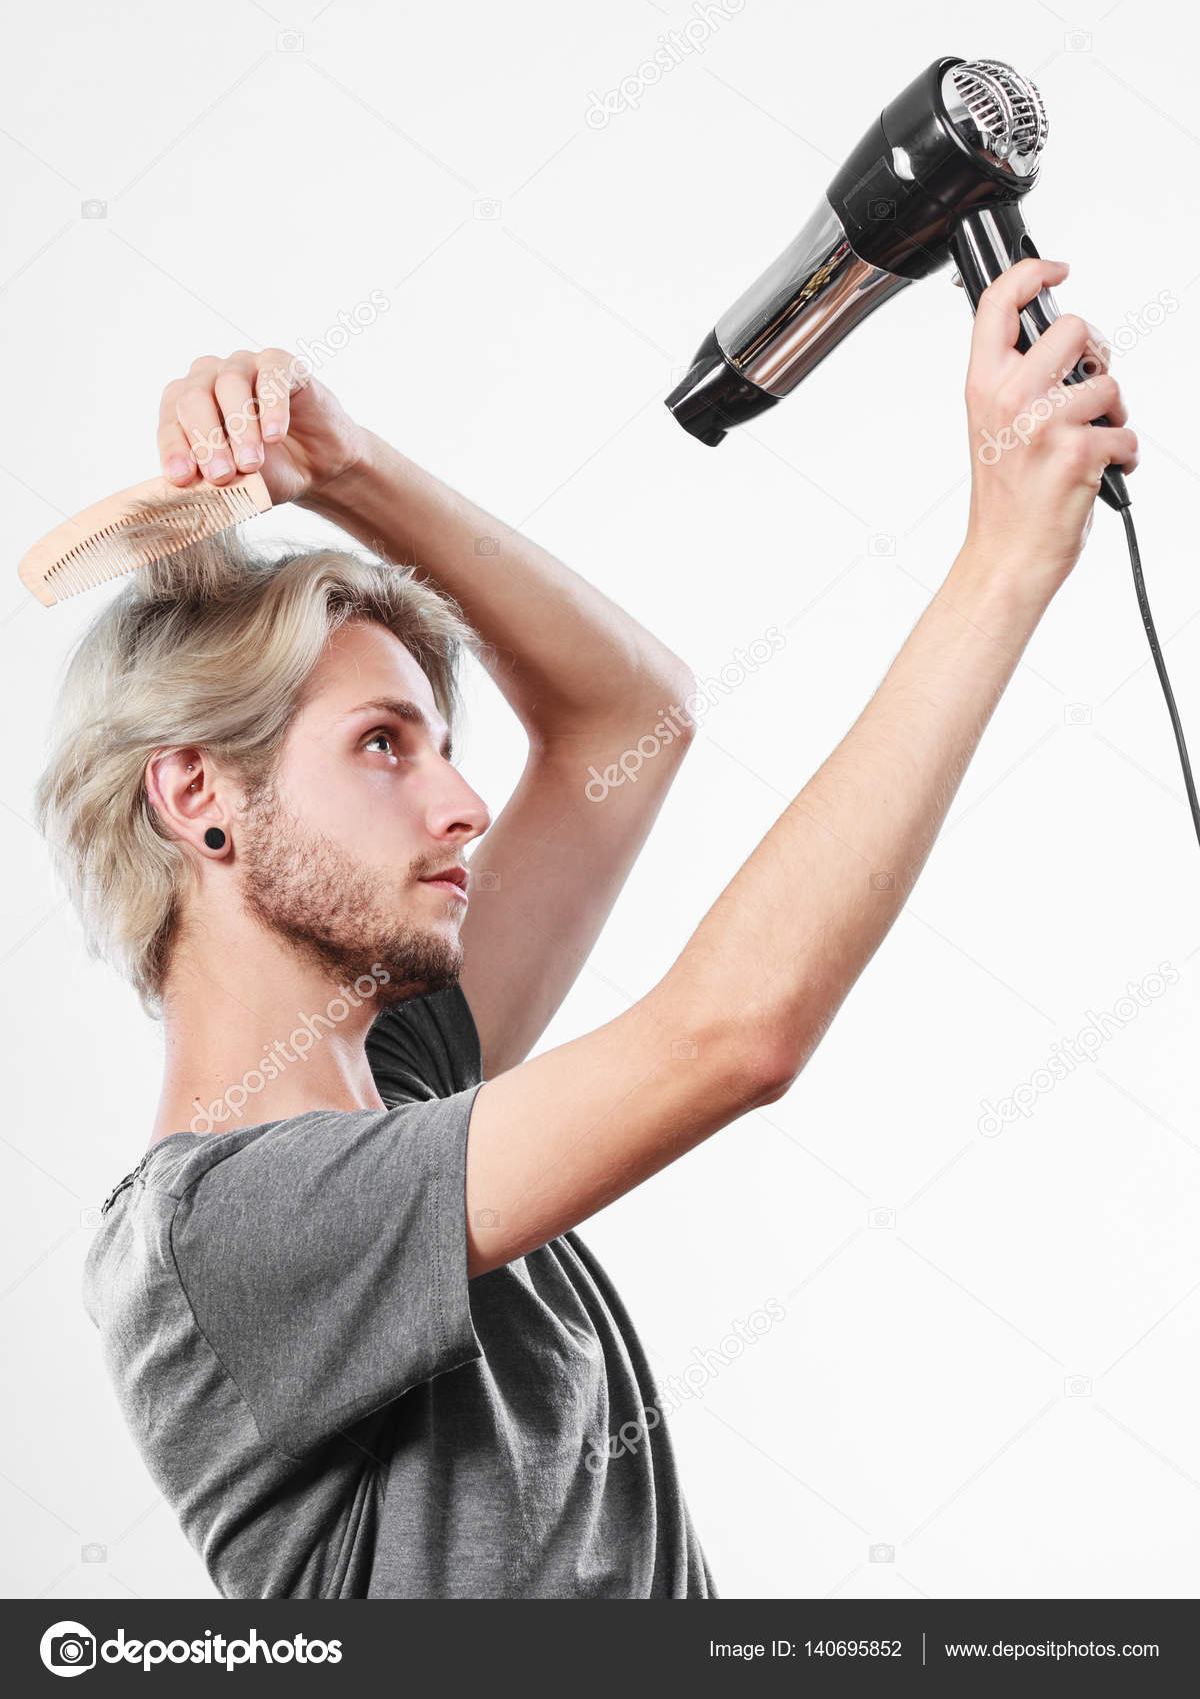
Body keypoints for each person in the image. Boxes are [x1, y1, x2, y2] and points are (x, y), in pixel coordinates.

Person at [42, 256, 1135, 1600]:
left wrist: (345, 467)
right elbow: (734, 1034)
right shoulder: (221, 1233)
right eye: (384, 746)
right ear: (196, 792)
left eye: (441, 743)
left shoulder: (411, 1082)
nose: (464, 802)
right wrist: (1005, 560)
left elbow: (633, 721)